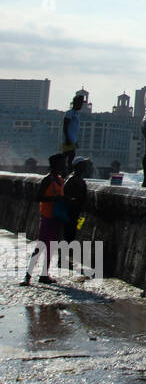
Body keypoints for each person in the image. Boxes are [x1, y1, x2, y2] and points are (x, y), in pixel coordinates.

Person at [22, 154, 65, 285]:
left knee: (51, 246)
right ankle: (27, 276)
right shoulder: (48, 180)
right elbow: (38, 197)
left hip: (56, 217)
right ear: (55, 165)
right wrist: (54, 199)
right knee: (40, 245)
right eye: (62, 163)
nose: (64, 165)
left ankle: (44, 275)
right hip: (47, 216)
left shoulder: (60, 180)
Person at [61, 91, 86, 173]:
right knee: (67, 156)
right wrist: (67, 138)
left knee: (70, 156)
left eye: (82, 104)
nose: (81, 105)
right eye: (80, 103)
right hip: (67, 139)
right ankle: (65, 172)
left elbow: (74, 129)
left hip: (72, 139)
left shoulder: (77, 114)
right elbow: (65, 126)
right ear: (75, 103)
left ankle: (67, 171)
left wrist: (75, 141)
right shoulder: (69, 113)